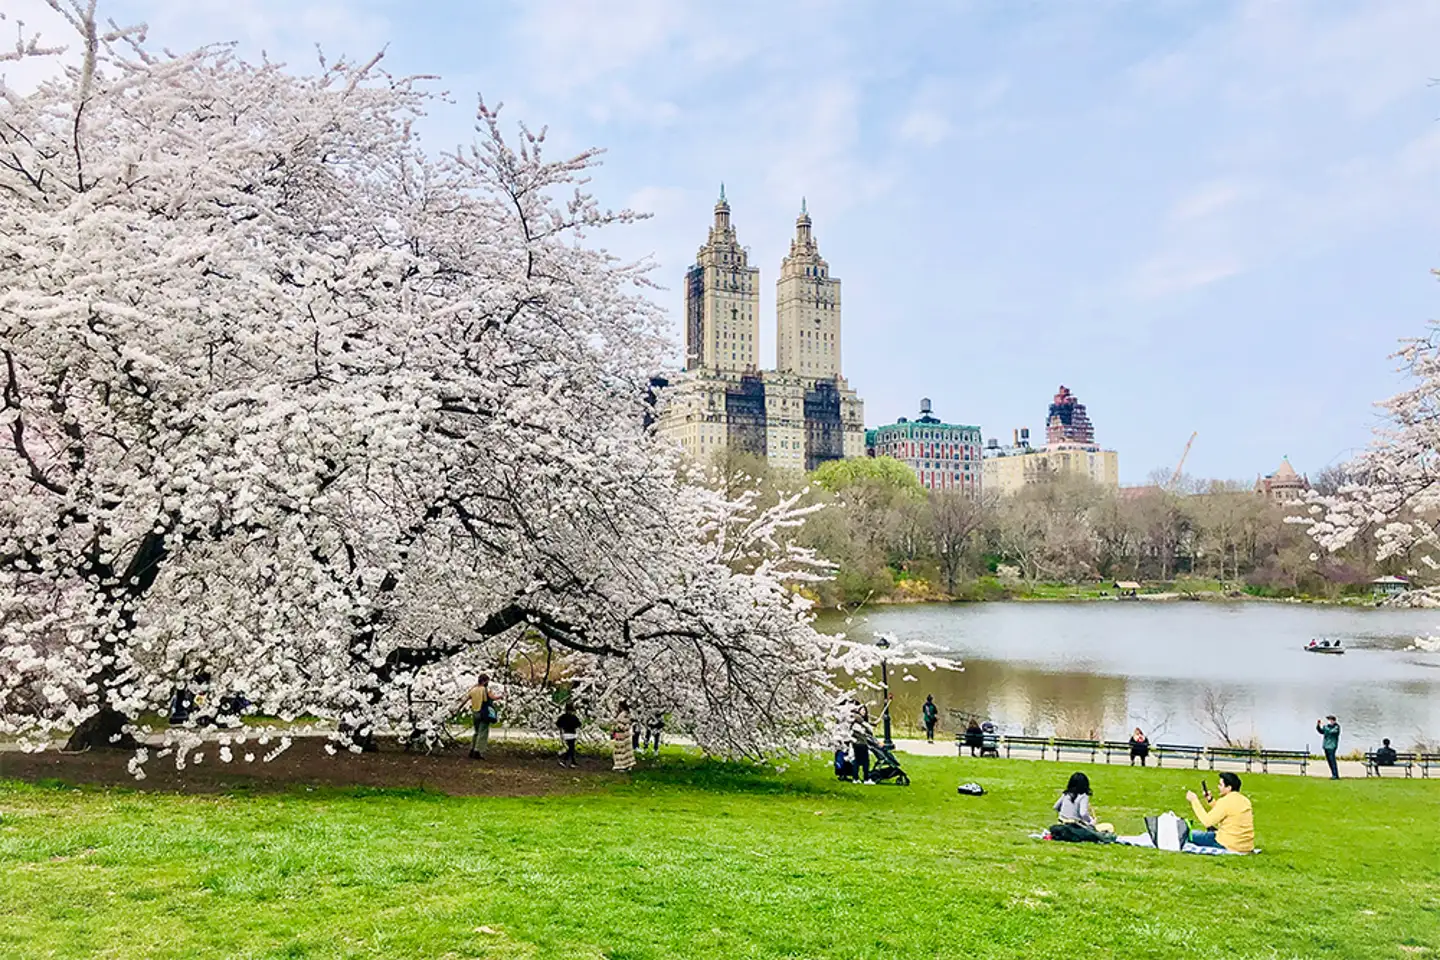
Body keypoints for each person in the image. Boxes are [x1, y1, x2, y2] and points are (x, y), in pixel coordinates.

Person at [1185, 771, 1255, 852]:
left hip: (1227, 844)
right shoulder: (1245, 800)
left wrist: (1194, 801)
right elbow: (1226, 811)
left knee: (1188, 835)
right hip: (1245, 845)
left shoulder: (1226, 801)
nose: (1218, 787)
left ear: (1229, 788)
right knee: (1203, 834)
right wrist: (1210, 800)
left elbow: (1207, 821)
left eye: (1221, 785)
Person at [465, 673, 497, 760]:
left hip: (475, 712)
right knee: (483, 732)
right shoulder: (484, 689)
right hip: (483, 712)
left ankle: (472, 749)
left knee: (476, 732)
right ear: (484, 681)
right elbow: (492, 697)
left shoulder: (473, 690)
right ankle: (478, 751)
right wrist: (501, 696)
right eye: (487, 681)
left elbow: (466, 698)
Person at [851, 703, 874, 784]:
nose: (864, 712)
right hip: (860, 743)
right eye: (862, 710)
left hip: (860, 743)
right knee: (865, 762)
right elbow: (866, 729)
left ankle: (856, 778)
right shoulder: (857, 719)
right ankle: (866, 779)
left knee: (858, 761)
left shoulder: (859, 720)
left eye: (865, 710)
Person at [612, 700, 636, 772]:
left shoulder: (622, 715)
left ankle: (621, 766)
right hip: (626, 735)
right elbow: (629, 723)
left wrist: (617, 727)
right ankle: (628, 765)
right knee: (627, 750)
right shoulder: (628, 714)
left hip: (621, 735)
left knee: (621, 751)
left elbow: (621, 724)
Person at [557, 702, 582, 768]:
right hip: (572, 734)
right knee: (571, 749)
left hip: (565, 734)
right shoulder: (574, 717)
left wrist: (561, 734)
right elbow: (578, 725)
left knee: (570, 749)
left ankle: (571, 762)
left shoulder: (562, 717)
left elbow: (559, 726)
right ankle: (566, 761)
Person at [1317, 715, 1341, 779]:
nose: (1329, 721)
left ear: (1333, 721)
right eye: (1329, 720)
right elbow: (1321, 731)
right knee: (1329, 761)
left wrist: (1325, 728)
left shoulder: (1337, 727)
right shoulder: (1326, 727)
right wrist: (1318, 726)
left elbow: (1332, 732)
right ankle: (1333, 774)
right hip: (1326, 746)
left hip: (1332, 746)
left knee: (1332, 761)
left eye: (1330, 720)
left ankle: (1335, 775)